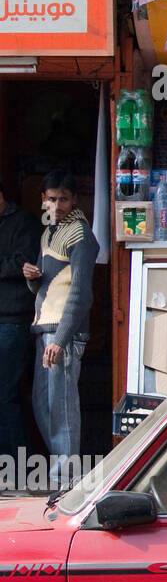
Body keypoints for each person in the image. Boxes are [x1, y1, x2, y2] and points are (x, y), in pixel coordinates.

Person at [21, 171, 98, 490]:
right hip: (45, 329)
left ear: (75, 200)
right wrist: (31, 276)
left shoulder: (80, 234)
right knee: (44, 405)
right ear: (43, 200)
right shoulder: (49, 232)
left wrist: (62, 340)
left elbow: (81, 293)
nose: (58, 204)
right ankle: (62, 477)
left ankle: (66, 481)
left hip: (63, 334)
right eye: (52, 198)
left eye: (64, 198)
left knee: (61, 407)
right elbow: (49, 284)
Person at [0, 182, 41, 465]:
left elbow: (24, 265)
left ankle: (17, 468)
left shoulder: (24, 223)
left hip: (13, 321)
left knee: (5, 394)